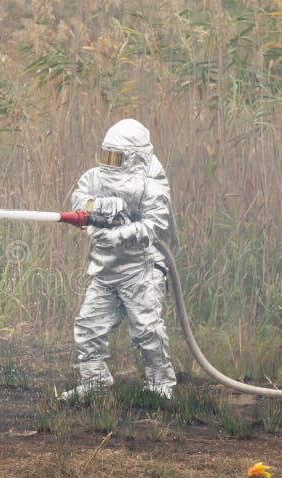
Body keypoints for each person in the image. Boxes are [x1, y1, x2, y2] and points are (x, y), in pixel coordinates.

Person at [61, 119, 179, 401]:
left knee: (147, 330)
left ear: (135, 158)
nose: (109, 163)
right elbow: (79, 200)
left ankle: (160, 383)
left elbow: (156, 226)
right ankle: (95, 382)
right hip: (104, 272)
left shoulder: (151, 187)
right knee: (88, 326)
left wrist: (122, 234)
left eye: (117, 158)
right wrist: (95, 206)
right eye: (106, 156)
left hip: (141, 271)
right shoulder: (95, 178)